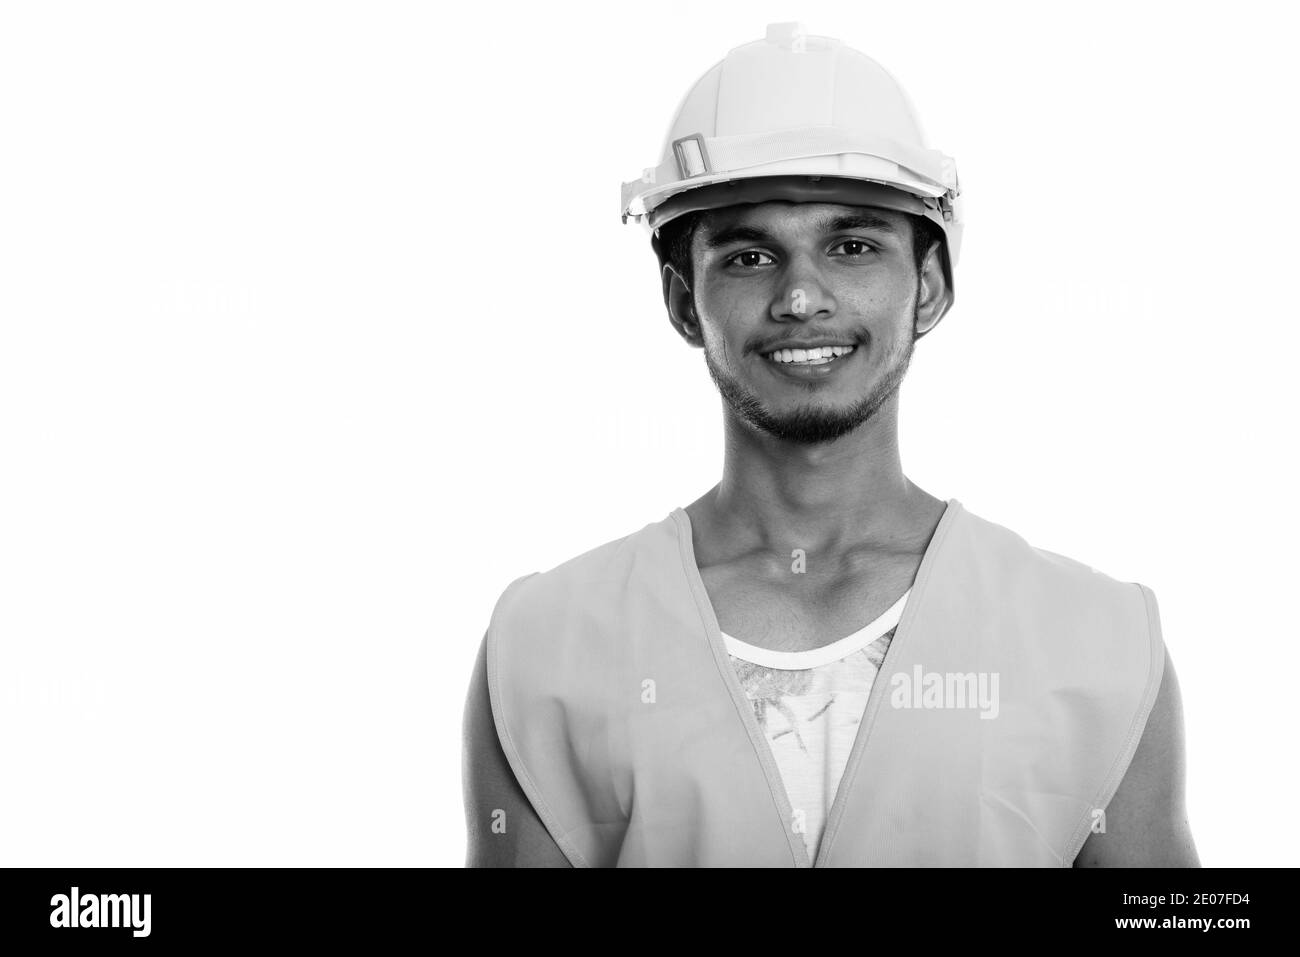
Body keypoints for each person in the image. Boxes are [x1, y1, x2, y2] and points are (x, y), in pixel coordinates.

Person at [462, 23, 1198, 867]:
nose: (802, 296)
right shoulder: (545, 645)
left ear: (928, 285)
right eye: (747, 254)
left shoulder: (1098, 641)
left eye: (852, 247)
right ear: (681, 300)